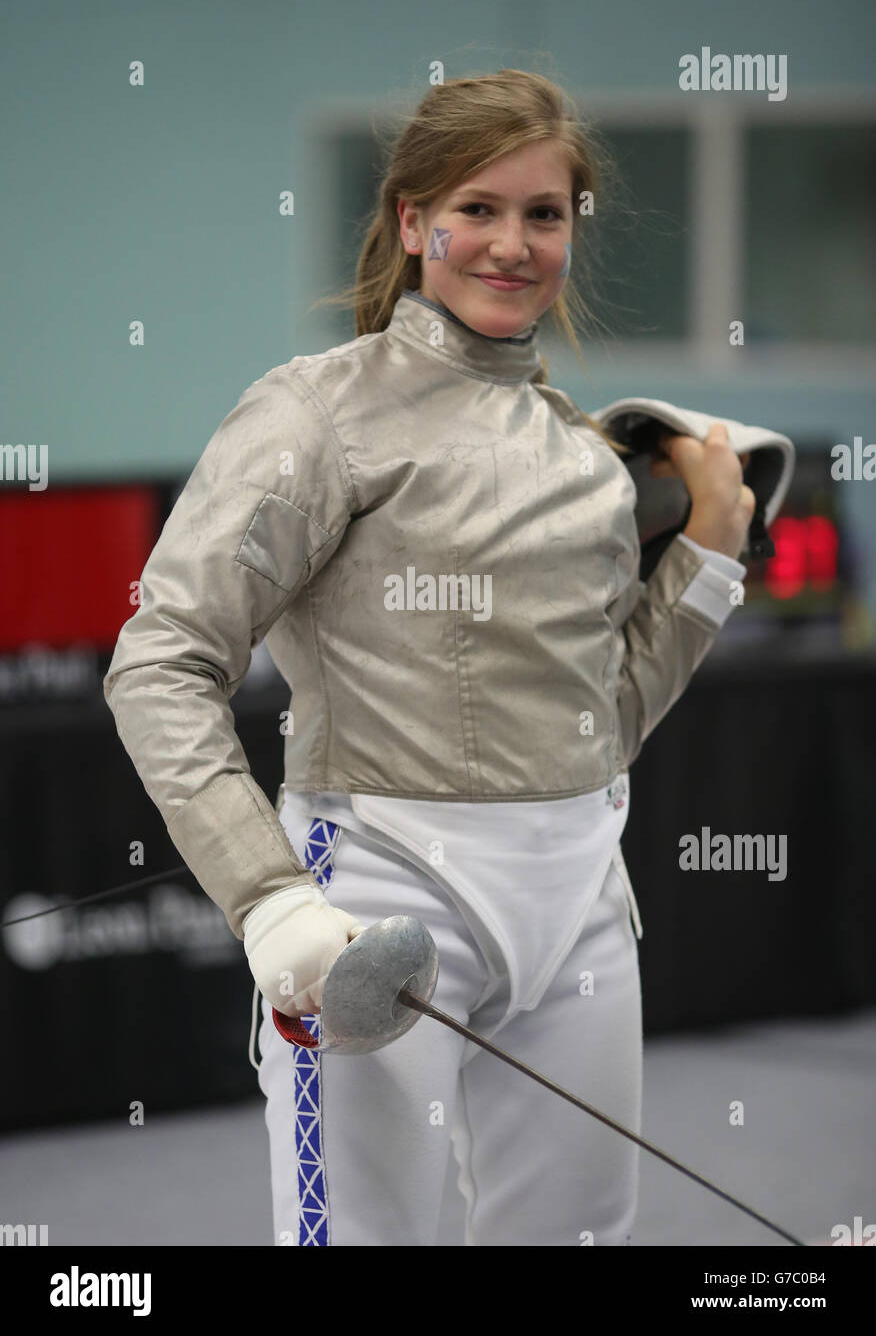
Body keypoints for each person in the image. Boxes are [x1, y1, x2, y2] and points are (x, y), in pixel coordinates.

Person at [103, 69, 755, 1246]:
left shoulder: (583, 459)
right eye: (479, 208)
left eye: (544, 214)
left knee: (580, 1238)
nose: (512, 243)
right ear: (413, 222)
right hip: (380, 903)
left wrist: (709, 551)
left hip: (581, 907)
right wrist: (268, 902)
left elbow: (603, 722)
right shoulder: (316, 415)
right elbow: (160, 660)